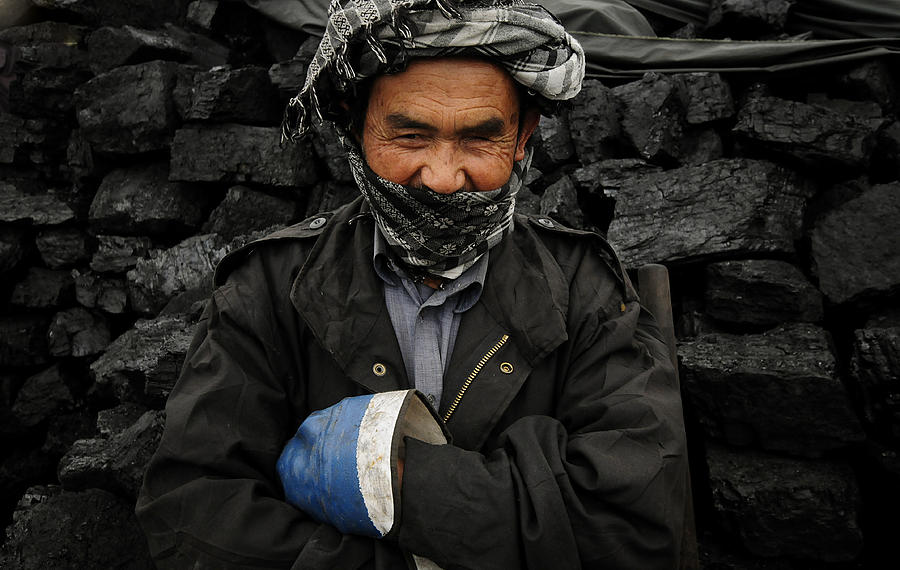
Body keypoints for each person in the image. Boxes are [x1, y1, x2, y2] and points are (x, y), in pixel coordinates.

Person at [135, 1, 688, 568]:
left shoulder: (585, 288)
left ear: (524, 138)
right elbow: (194, 513)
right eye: (410, 135)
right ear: (354, 126)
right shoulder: (272, 287)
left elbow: (634, 527)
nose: (444, 178)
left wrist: (387, 475)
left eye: (480, 139)